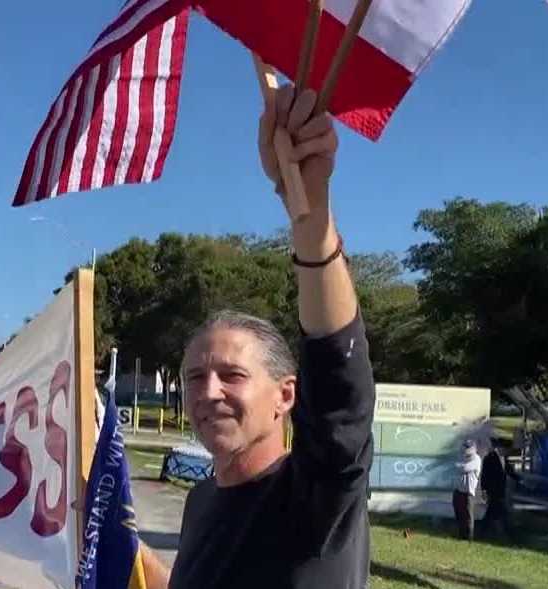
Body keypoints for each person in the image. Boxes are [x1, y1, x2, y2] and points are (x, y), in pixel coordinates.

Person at [139, 83, 375, 588]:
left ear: (285, 394)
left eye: (232, 375)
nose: (208, 391)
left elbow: (339, 384)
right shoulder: (203, 500)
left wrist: (311, 222)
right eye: (195, 376)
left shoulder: (316, 496)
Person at [479, 441, 511, 540]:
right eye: (506, 450)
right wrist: (484, 491)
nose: (507, 453)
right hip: (492, 491)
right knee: (497, 511)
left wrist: (520, 479)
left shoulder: (504, 458)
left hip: (500, 490)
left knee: (493, 512)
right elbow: (484, 476)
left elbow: (509, 470)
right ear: (501, 448)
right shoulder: (489, 458)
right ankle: (504, 533)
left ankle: (484, 532)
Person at [453, 439, 482, 541]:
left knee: (468, 517)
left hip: (468, 493)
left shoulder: (477, 459)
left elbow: (463, 468)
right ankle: (461, 536)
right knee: (459, 514)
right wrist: (459, 465)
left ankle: (469, 538)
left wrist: (459, 465)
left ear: (474, 449)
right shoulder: (462, 457)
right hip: (458, 491)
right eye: (466, 447)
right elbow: (455, 466)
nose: (466, 449)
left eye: (469, 447)